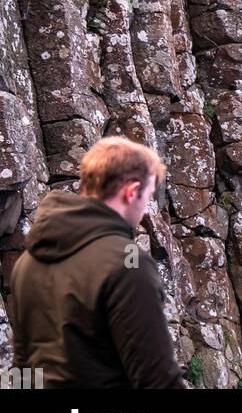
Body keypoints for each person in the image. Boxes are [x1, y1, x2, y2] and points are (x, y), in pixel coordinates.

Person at [8, 135, 184, 389]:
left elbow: (22, 368)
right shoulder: (128, 263)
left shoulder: (27, 263)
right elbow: (157, 379)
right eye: (147, 196)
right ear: (131, 191)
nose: (146, 209)